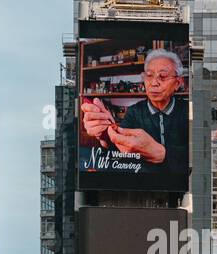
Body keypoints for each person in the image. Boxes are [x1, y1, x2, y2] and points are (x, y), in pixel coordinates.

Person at [80, 49, 189, 184]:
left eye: (162, 76)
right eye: (149, 75)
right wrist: (105, 132)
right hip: (143, 183)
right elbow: (120, 150)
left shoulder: (188, 111)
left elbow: (199, 155)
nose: (154, 83)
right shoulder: (134, 111)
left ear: (178, 83)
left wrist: (163, 154)